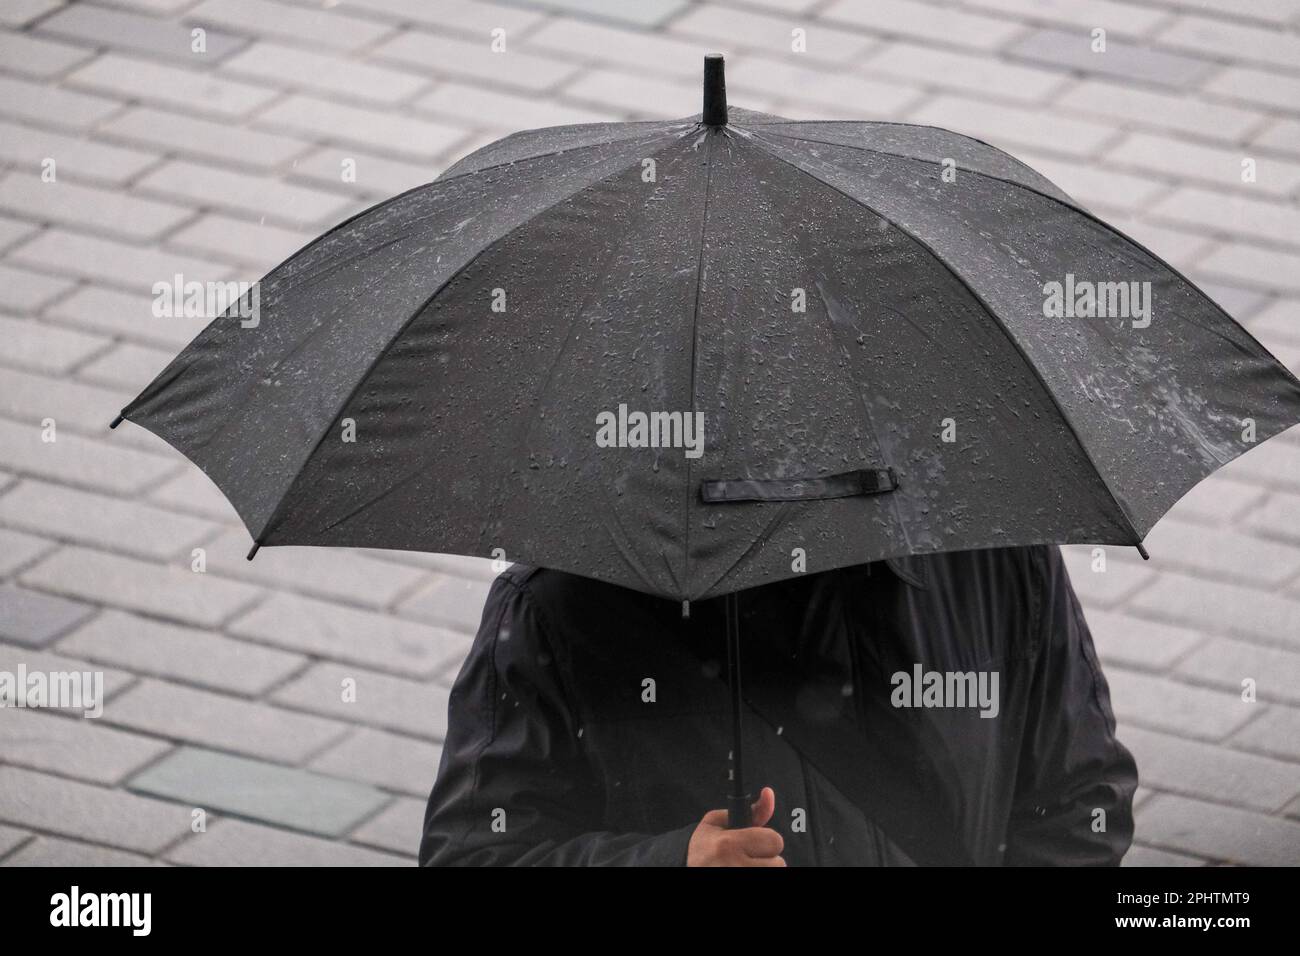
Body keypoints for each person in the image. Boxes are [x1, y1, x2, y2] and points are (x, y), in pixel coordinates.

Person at [419, 545, 1137, 866]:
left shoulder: (992, 554)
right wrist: (673, 864)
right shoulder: (558, 609)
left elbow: (1077, 799)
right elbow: (475, 853)